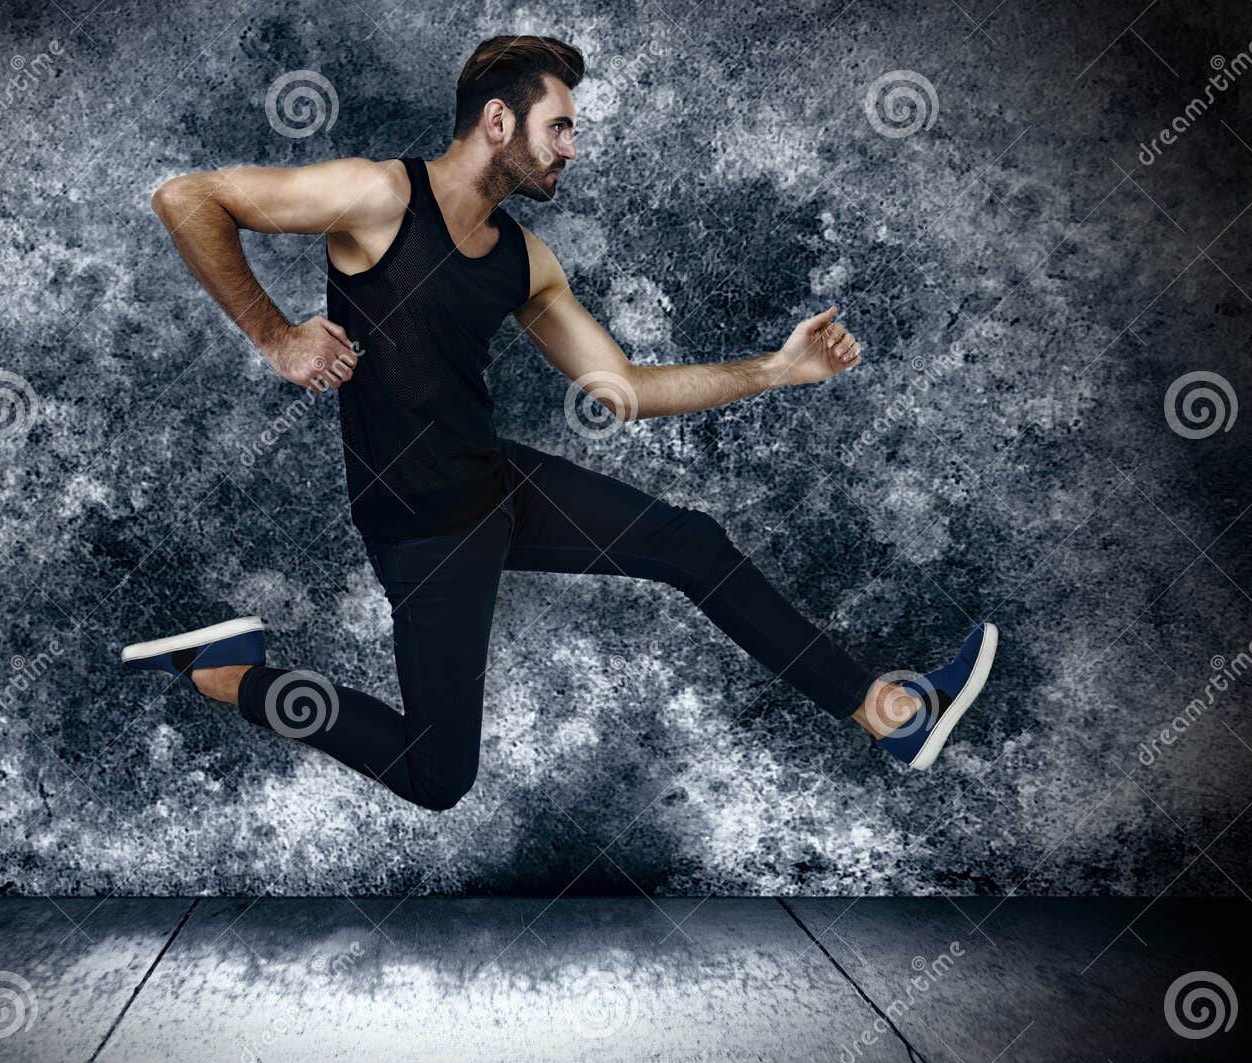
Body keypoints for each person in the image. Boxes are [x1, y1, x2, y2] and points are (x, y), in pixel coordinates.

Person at [125, 35, 997, 811]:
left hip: (498, 484)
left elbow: (624, 389)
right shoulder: (379, 194)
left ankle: (888, 712)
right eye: (561, 127)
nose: (572, 149)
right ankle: (230, 673)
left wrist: (777, 369)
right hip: (424, 526)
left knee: (692, 545)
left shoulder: (523, 259)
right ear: (498, 121)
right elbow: (187, 198)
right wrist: (278, 336)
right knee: (438, 777)